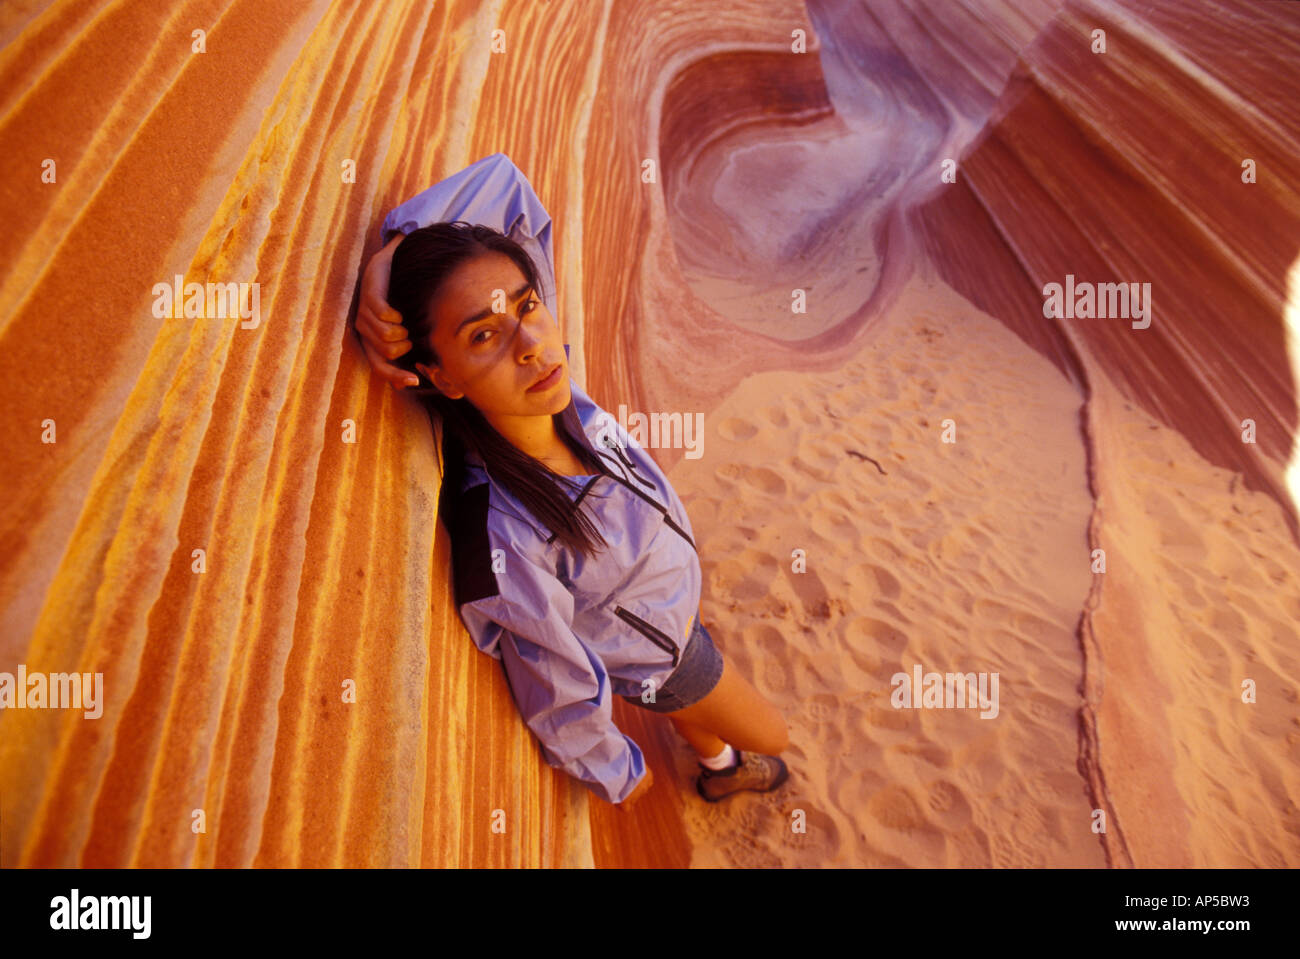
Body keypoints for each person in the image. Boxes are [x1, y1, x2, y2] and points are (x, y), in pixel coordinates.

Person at [354, 153, 790, 811]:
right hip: (663, 654)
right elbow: (547, 674)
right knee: (775, 732)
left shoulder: (554, 393)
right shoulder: (509, 530)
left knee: (693, 705)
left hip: (667, 621)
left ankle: (718, 762)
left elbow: (506, 186)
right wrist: (613, 766)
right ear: (443, 377)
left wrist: (389, 256)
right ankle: (730, 758)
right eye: (483, 335)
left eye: (529, 305)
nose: (530, 340)